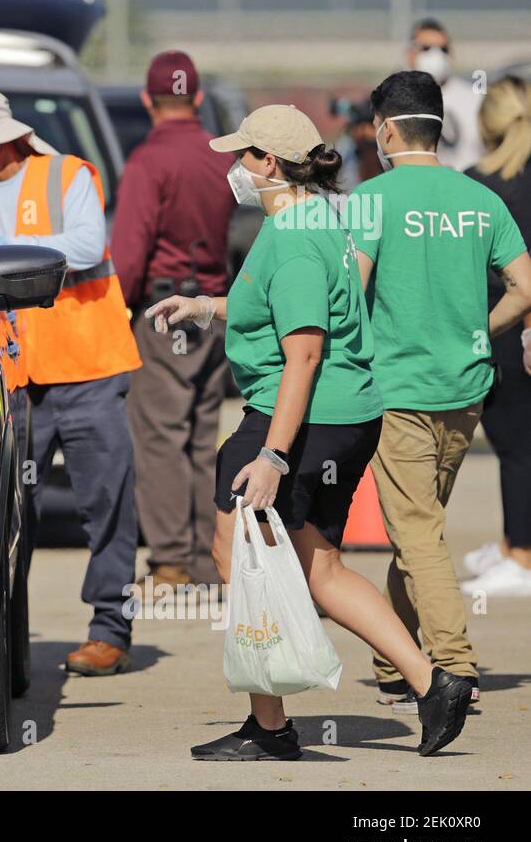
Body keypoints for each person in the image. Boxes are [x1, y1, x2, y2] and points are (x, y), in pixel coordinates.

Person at [148, 103, 476, 760]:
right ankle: (432, 683)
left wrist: (272, 454)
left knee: (235, 550)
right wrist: (206, 306)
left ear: (269, 163)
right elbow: (288, 306)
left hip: (297, 416)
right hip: (346, 413)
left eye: (243, 156)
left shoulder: (293, 236)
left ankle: (271, 726)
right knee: (318, 565)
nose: (235, 168)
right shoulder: (316, 216)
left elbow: (304, 351)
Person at [0, 87, 143, 676]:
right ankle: (6, 642)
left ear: (1, 140)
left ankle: (110, 629)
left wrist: (3, 248)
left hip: (87, 366)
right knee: (10, 512)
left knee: (108, 504)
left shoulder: (65, 176)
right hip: (13, 378)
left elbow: (87, 244)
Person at [352, 71, 531, 712]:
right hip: (465, 390)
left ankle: (452, 669)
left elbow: (349, 294)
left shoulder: (371, 200)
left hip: (398, 389)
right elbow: (526, 287)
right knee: (418, 530)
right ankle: (391, 662)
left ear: (388, 130)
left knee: (418, 534)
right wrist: (480, 330)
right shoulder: (480, 199)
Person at [111, 50, 234, 588]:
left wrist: (117, 309)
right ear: (198, 98)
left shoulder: (146, 162)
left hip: (162, 310)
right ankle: (211, 559)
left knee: (160, 435)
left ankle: (169, 562)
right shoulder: (222, 160)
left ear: (147, 100)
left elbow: (130, 252)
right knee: (201, 437)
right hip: (212, 309)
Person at [458, 76, 531, 596]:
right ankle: (512, 546)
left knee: (514, 445)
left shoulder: (477, 183)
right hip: (516, 322)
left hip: (502, 323)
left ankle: (521, 555)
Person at [407, 18, 483, 172]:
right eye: (426, 48)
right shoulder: (397, 99)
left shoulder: (475, 98)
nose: (436, 56)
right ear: (409, 53)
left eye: (443, 49)